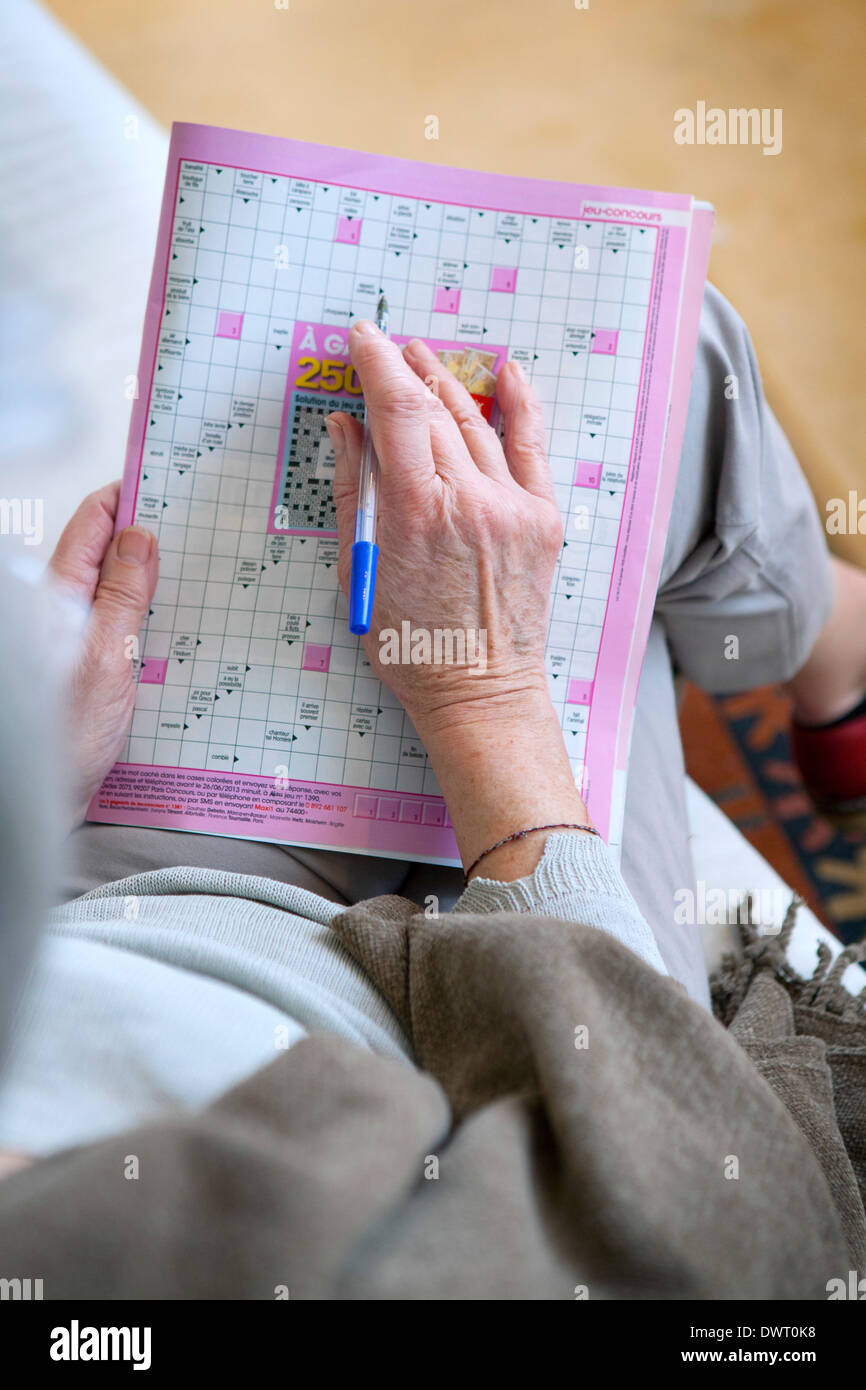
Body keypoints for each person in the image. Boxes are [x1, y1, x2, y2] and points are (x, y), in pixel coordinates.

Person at [0, 286, 863, 1298]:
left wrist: (35, 793)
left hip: (100, 913)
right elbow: (701, 1227)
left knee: (597, 364)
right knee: (667, 366)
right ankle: (834, 660)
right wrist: (485, 696)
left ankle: (831, 647)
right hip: (472, 1043)